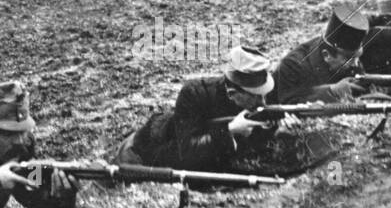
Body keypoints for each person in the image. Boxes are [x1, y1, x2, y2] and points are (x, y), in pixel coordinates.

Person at [113, 45, 301, 173]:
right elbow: (186, 154)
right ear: (233, 93)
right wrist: (230, 130)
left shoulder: (262, 97)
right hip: (144, 155)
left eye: (263, 93)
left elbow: (254, 145)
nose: (263, 100)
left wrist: (279, 131)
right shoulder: (194, 93)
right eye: (255, 95)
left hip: (204, 156)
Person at [272, 1, 370, 103]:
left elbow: (358, 84)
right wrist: (331, 91)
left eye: (357, 57)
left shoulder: (347, 57)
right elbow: (289, 103)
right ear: (326, 55)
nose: (355, 64)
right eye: (349, 59)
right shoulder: (293, 65)